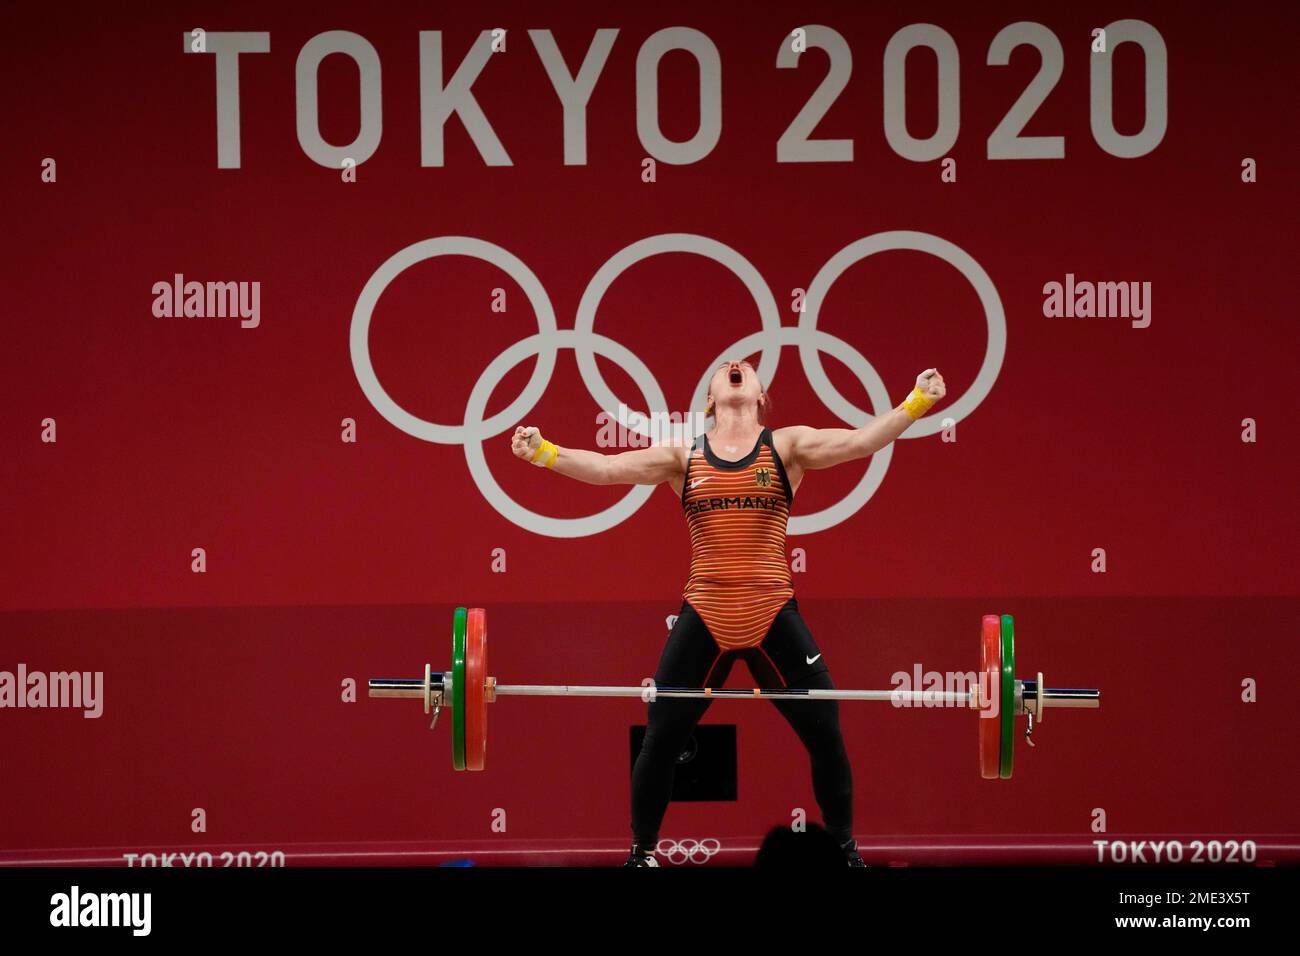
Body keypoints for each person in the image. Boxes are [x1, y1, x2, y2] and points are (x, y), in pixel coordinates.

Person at [511, 360, 946, 867]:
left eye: (747, 367)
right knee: (661, 734)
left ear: (761, 395)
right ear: (711, 399)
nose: (736, 365)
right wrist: (544, 452)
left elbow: (862, 441)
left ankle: (846, 852)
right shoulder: (684, 455)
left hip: (771, 609)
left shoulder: (788, 446)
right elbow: (608, 469)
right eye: (723, 367)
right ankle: (642, 855)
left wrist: (915, 403)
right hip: (706, 610)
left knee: (826, 729)